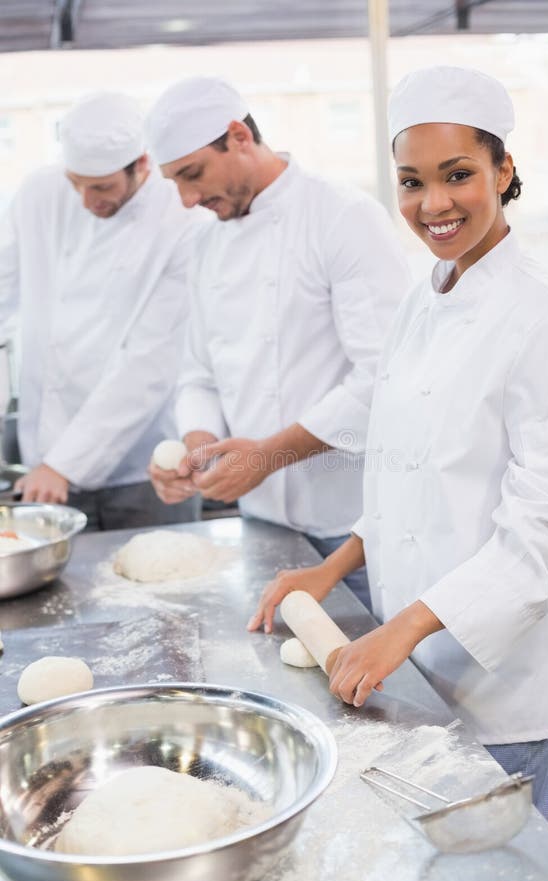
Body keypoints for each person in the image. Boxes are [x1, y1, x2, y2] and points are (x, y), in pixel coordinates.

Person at [250, 66, 548, 823]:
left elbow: (546, 529)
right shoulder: (424, 295)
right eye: (412, 182)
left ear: (505, 171)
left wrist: (401, 628)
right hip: (406, 654)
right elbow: (407, 482)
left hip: (503, 678)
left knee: (490, 867)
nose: (432, 203)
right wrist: (332, 569)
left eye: (458, 175)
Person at [145, 77, 412, 609]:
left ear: (239, 135)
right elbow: (198, 373)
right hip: (260, 527)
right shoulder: (202, 244)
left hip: (353, 533)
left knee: (369, 685)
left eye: (193, 175)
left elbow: (385, 375)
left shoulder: (342, 217)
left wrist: (268, 455)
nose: (189, 199)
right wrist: (198, 452)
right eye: (175, 182)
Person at [0, 91, 204, 529]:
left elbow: (151, 363)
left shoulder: (182, 220)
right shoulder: (38, 193)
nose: (86, 200)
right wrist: (54, 464)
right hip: (45, 457)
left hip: (146, 469)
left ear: (142, 165)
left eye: (102, 187)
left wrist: (66, 464)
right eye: (75, 182)